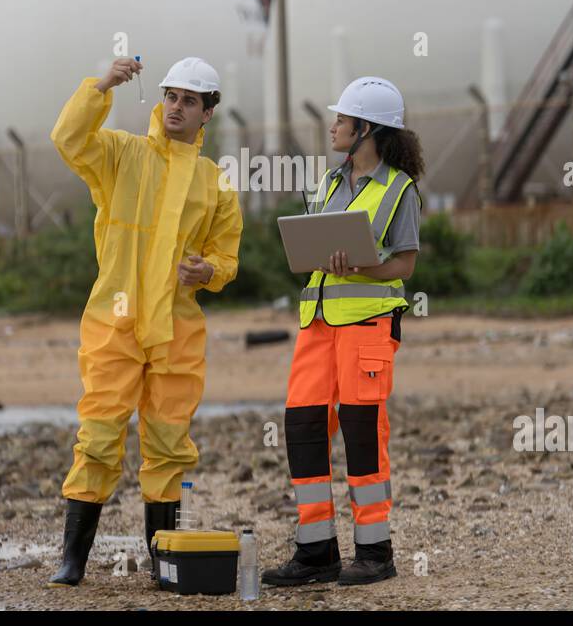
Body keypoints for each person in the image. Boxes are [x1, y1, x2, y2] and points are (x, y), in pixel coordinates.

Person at [46, 56, 243, 587]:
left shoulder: (216, 185)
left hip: (177, 329)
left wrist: (208, 271)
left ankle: (164, 564)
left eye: (190, 101)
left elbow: (227, 260)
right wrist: (101, 86)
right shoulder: (120, 154)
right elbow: (67, 137)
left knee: (169, 445)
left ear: (207, 114)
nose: (177, 107)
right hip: (116, 321)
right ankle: (73, 561)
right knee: (99, 435)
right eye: (172, 96)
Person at [262, 76, 424, 587]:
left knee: (361, 433)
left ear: (366, 129)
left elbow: (405, 265)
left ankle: (375, 553)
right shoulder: (327, 184)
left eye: (341, 120)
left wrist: (359, 268)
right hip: (316, 327)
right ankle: (316, 553)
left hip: (367, 329)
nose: (332, 126)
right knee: (304, 429)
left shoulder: (400, 190)